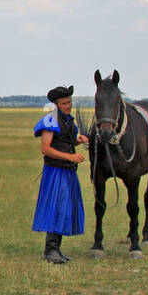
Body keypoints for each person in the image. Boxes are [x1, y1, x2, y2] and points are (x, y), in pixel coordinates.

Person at [32, 85, 88, 262]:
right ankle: (50, 250)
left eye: (69, 102)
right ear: (56, 104)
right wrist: (70, 157)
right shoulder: (50, 121)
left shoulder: (67, 122)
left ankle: (57, 250)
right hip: (55, 171)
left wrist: (80, 140)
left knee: (64, 209)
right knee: (56, 208)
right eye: (64, 103)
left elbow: (67, 141)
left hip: (68, 170)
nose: (68, 106)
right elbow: (46, 149)